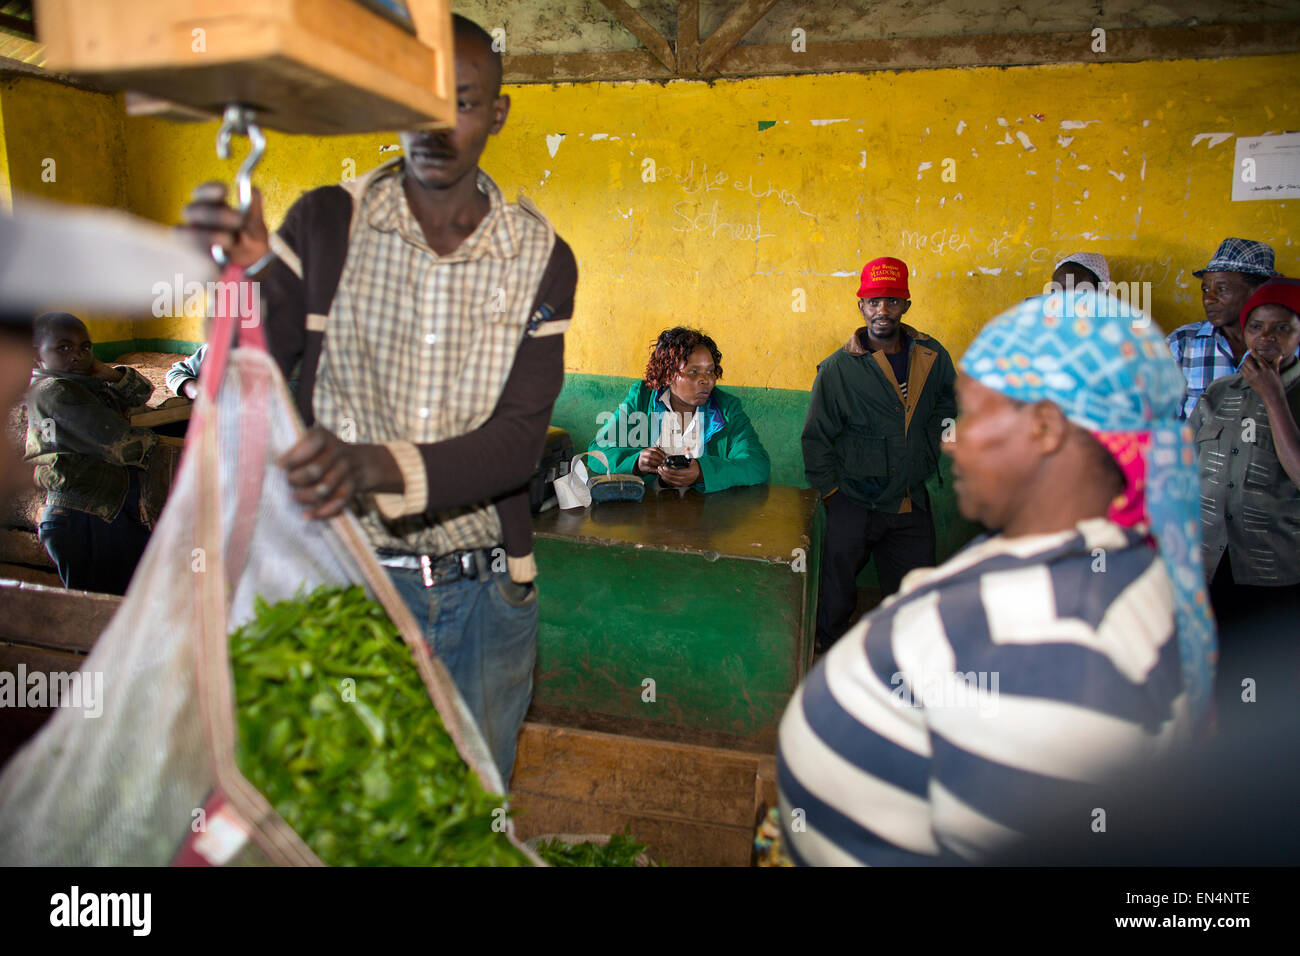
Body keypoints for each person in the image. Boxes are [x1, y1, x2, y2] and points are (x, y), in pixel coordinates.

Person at [180, 15, 578, 785]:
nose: (436, 125)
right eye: (416, 98)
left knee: (468, 807)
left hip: (484, 596)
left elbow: (518, 446)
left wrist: (372, 465)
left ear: (496, 113)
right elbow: (242, 377)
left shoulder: (541, 258)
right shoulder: (327, 223)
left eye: (461, 102)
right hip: (345, 583)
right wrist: (232, 282)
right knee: (342, 802)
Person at [773, 288, 1215, 866]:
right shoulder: (1110, 558)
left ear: (1046, 428)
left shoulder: (1063, 640)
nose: (954, 445)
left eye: (975, 416)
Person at [802, 256, 957, 655]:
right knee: (837, 588)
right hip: (853, 497)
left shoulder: (931, 356)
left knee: (915, 589)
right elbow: (816, 436)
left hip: (908, 495)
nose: (881, 311)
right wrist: (832, 494)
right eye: (872, 302)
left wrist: (932, 444)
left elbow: (948, 402)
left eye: (891, 301)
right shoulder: (838, 369)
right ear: (860, 307)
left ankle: (905, 660)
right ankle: (829, 651)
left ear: (905, 305)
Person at [1190, 277, 1300, 732]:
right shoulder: (1218, 395)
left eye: (1282, 329)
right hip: (1211, 567)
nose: (1266, 339)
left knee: (1267, 695)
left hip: (1275, 572)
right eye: (1257, 327)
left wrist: (1274, 395)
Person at [25, 312, 156, 594]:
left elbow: (142, 392)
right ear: (36, 355)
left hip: (106, 513)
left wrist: (107, 372)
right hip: (81, 518)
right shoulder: (52, 392)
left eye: (85, 347)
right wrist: (169, 444)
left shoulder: (84, 385)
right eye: (63, 347)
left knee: (124, 608)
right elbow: (120, 444)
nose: (77, 355)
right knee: (99, 616)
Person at [588, 327, 769, 492]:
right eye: (693, 372)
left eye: (710, 371)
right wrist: (636, 462)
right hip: (648, 515)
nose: (705, 380)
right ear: (668, 375)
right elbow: (597, 452)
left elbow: (757, 464)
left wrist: (702, 472)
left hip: (708, 518)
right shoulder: (641, 398)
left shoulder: (726, 409)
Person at [1167, 237, 1280, 419]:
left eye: (1221, 289)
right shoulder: (1182, 343)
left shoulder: (1286, 348)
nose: (1208, 299)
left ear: (1259, 291)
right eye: (1205, 290)